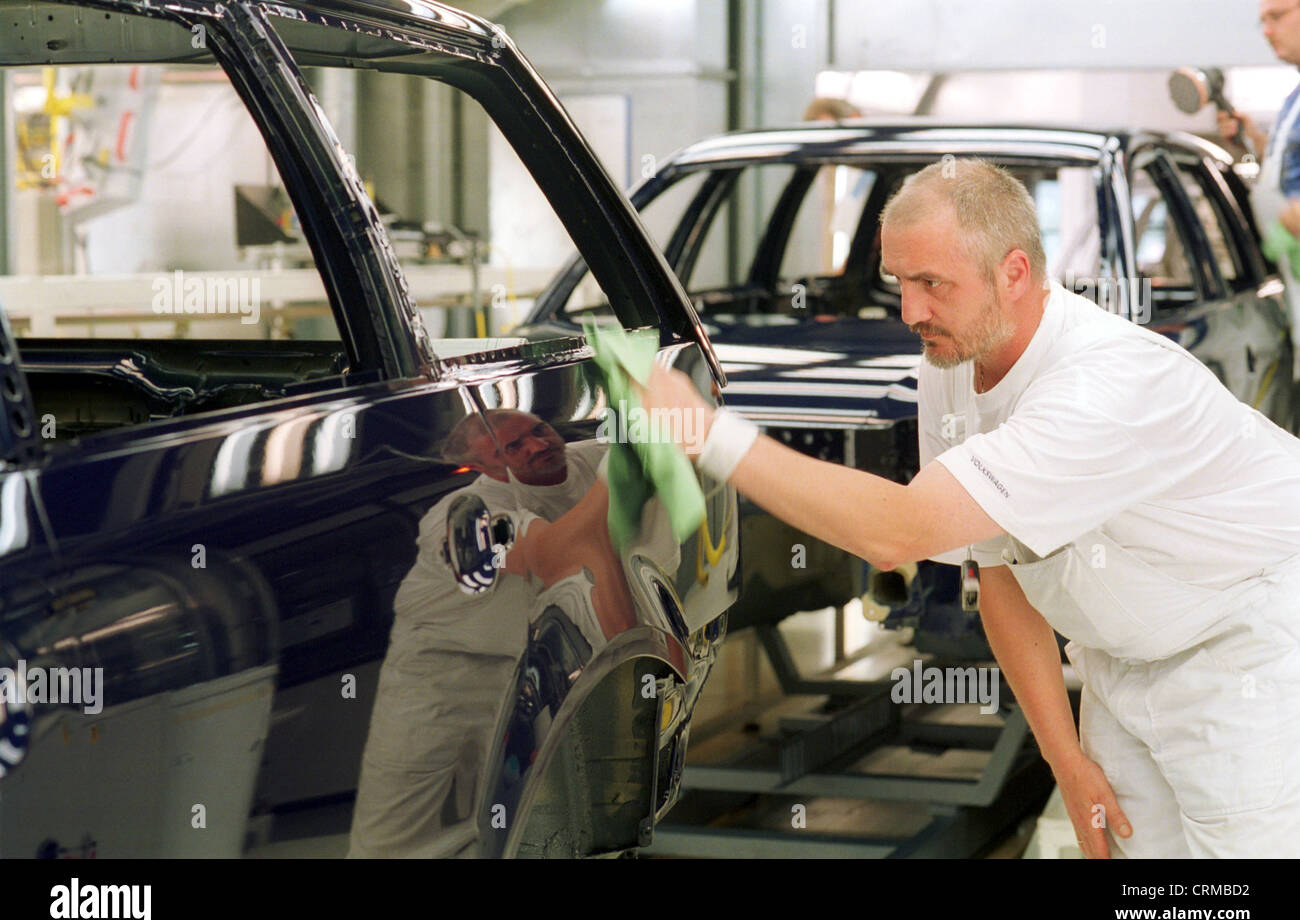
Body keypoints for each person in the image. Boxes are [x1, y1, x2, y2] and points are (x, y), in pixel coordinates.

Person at [640, 158, 1300, 858]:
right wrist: (1065, 762)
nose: (909, 311)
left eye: (932, 283)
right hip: (1123, 656)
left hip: (1251, 650)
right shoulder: (952, 369)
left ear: (1014, 272)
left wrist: (708, 433)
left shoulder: (1101, 386)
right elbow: (1001, 575)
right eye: (900, 281)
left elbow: (896, 533)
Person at [348, 410, 626, 857]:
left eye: (539, 430)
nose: (537, 446)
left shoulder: (590, 460)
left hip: (526, 675)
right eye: (511, 448)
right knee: (397, 838)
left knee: (519, 829)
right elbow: (552, 556)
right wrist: (618, 481)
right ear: (483, 467)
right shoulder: (464, 516)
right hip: (439, 683)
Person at [1220, 0, 1300, 370]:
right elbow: (1286, 169)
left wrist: (1283, 220)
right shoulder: (1293, 102)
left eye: (1278, 16)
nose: (1267, 30)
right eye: (1262, 21)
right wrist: (1252, 140)